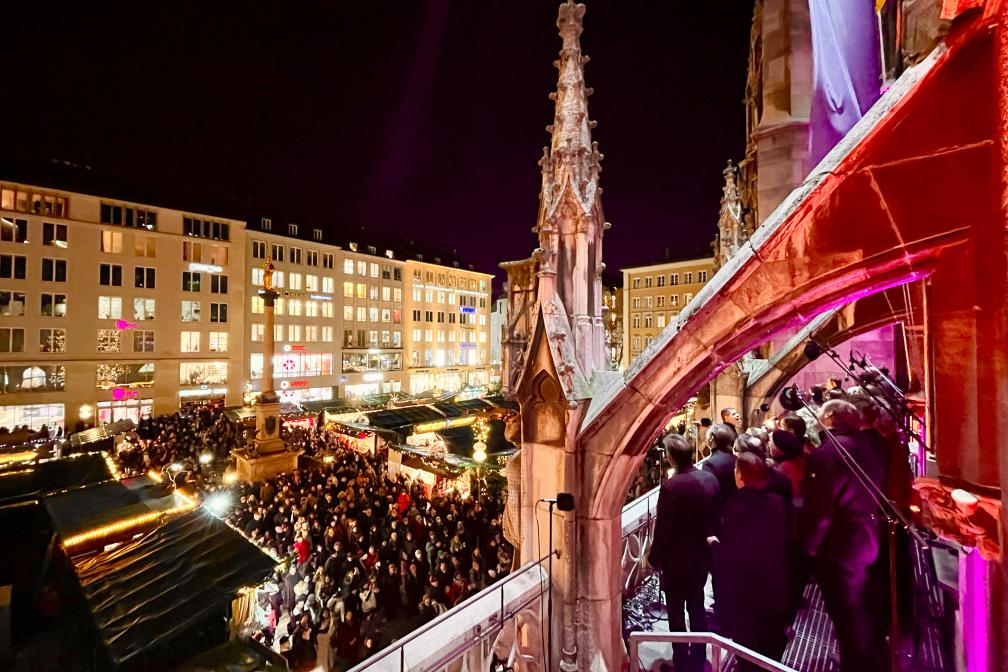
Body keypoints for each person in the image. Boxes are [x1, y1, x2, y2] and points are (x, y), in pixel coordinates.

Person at [798, 399, 887, 671]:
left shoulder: (828, 454)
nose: (819, 420)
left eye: (823, 415)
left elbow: (819, 510)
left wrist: (809, 546)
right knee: (858, 610)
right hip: (866, 537)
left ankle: (857, 664)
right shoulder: (868, 446)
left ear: (833, 417)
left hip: (840, 547)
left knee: (847, 615)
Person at [648, 433, 719, 672]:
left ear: (670, 457)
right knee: (696, 605)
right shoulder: (709, 479)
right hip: (700, 556)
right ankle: (699, 657)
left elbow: (664, 527)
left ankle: (681, 659)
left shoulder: (671, 486)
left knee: (676, 612)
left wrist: (654, 557)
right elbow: (715, 519)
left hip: (676, 560)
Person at [712, 452, 791, 671]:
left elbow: (732, 556)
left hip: (746, 594)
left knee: (748, 649)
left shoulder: (733, 508)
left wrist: (714, 546)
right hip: (774, 587)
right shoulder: (778, 504)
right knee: (770, 644)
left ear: (740, 476)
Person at [702, 424, 737, 507]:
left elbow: (709, 493)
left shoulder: (709, 464)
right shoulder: (736, 459)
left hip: (721, 510)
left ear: (712, 438)